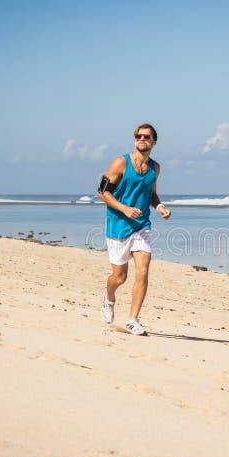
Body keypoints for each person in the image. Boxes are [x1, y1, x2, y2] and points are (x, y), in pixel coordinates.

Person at [97, 123, 171, 335]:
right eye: (139, 136)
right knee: (119, 277)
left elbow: (151, 194)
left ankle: (133, 320)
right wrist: (125, 209)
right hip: (118, 226)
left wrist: (160, 206)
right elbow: (102, 192)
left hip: (142, 226)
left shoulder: (155, 168)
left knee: (143, 271)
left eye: (146, 137)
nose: (142, 139)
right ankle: (109, 297)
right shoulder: (120, 163)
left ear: (154, 141)